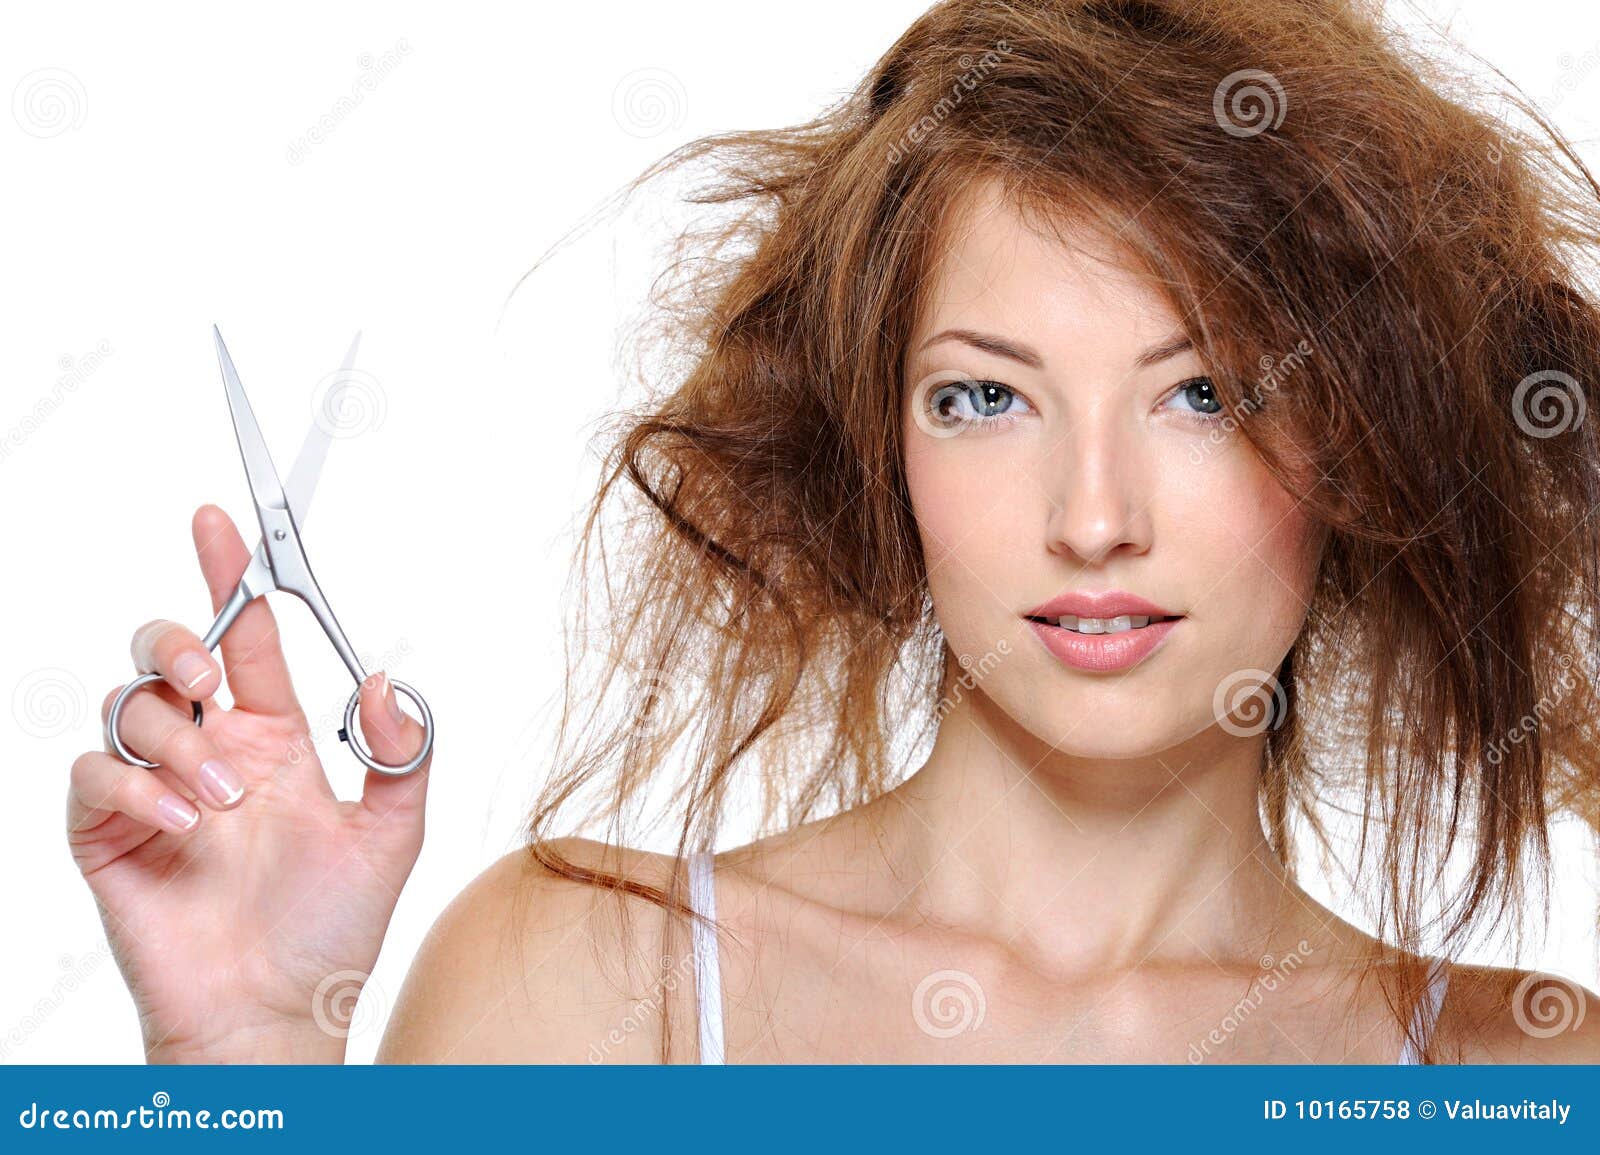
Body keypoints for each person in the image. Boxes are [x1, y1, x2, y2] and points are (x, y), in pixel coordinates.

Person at [70, 0, 1600, 1063]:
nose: (1092, 518)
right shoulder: (585, 994)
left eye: (1201, 393)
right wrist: (244, 1050)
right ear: (878, 450)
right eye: (984, 400)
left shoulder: (1524, 1076)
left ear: (1362, 443)